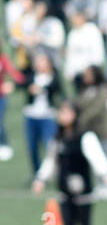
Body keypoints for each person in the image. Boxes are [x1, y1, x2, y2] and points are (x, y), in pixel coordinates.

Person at [31, 101, 107, 225]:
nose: (64, 116)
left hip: (84, 191)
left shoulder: (85, 136)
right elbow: (51, 162)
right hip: (64, 191)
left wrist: (106, 173)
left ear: (75, 115)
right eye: (62, 112)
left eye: (68, 112)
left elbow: (97, 157)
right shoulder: (58, 138)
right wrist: (40, 179)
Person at [21, 51, 63, 179]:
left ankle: (51, 171)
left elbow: (58, 91)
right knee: (32, 146)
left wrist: (43, 89)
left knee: (50, 145)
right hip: (31, 114)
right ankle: (37, 173)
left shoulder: (53, 77)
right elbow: (22, 83)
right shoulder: (31, 75)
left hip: (47, 115)